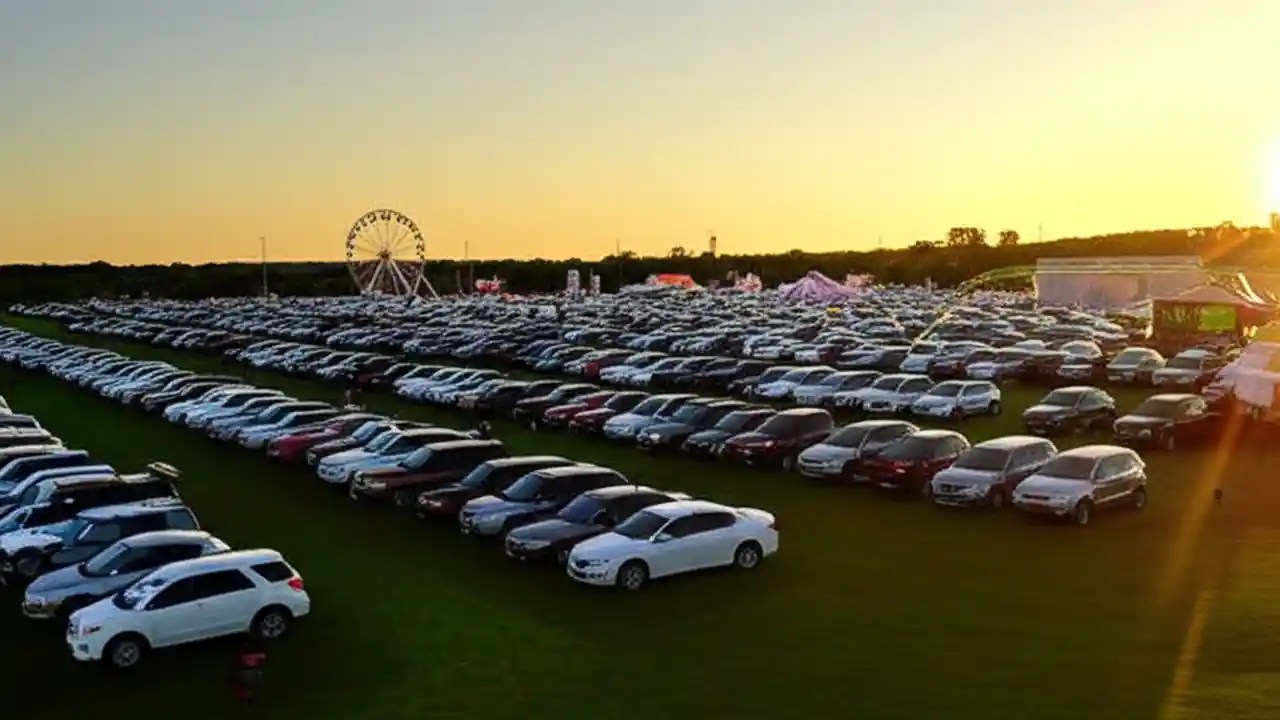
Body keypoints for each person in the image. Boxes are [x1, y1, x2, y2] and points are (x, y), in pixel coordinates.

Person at [230, 638, 267, 708]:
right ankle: (251, 698)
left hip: (247, 671)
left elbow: (240, 663)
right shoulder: (259, 654)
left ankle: (249, 699)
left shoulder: (243, 655)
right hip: (255, 671)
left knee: (248, 686)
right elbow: (262, 659)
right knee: (252, 686)